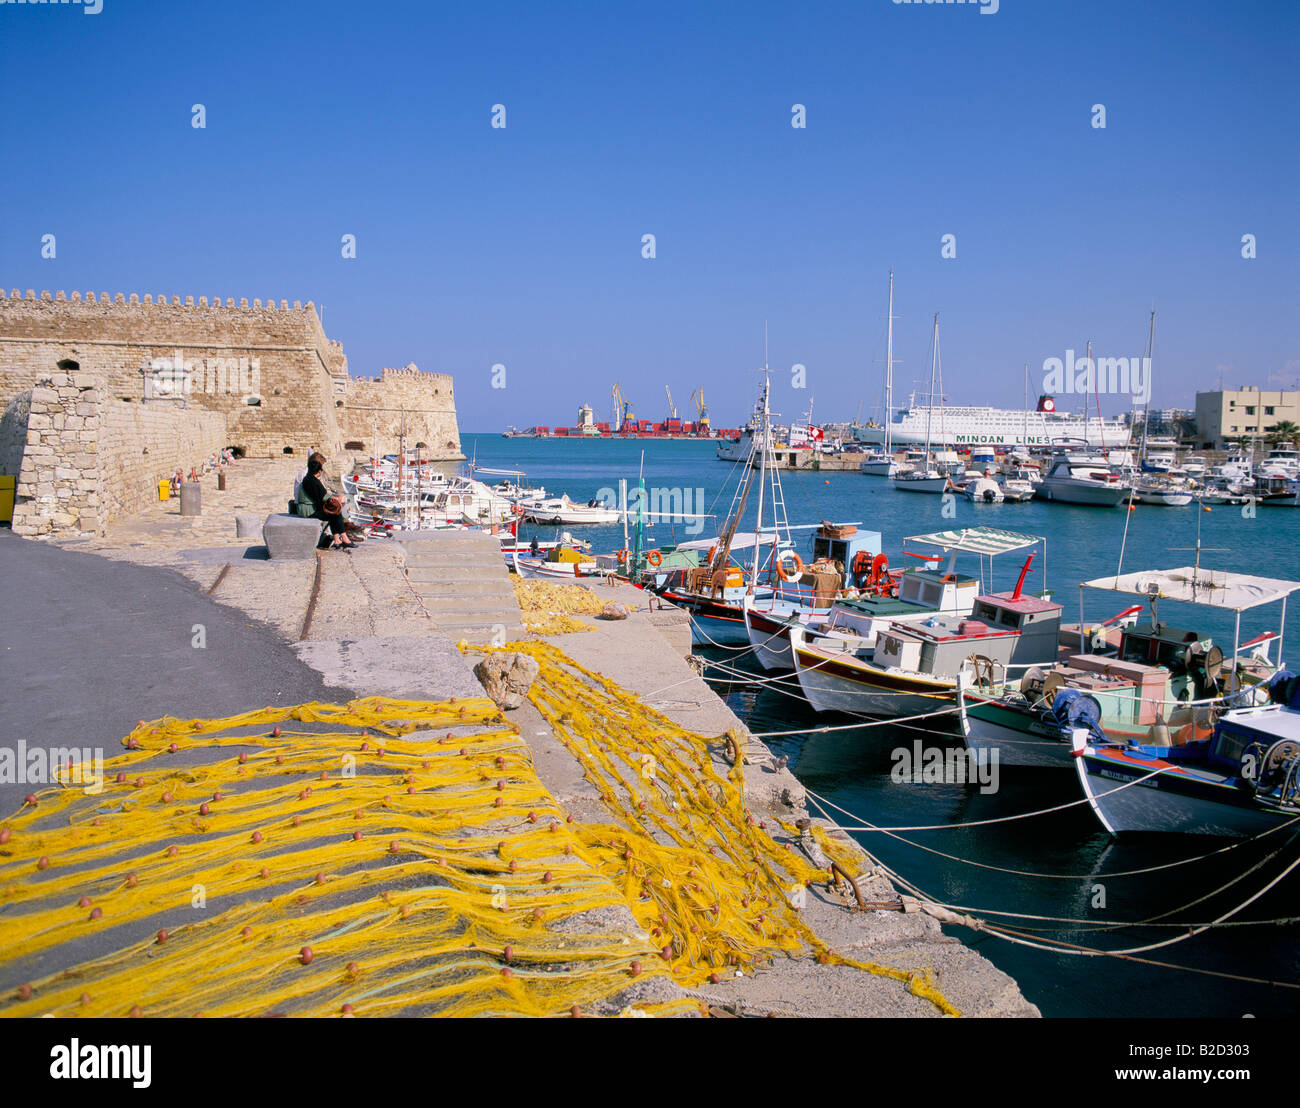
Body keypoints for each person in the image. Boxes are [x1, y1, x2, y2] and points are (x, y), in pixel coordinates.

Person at [296, 454, 353, 549]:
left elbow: (321, 495)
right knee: (336, 512)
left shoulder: (309, 478)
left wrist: (334, 499)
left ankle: (338, 539)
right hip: (308, 511)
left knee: (335, 511)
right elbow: (322, 497)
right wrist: (338, 499)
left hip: (308, 508)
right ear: (319, 471)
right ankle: (344, 537)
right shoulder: (312, 481)